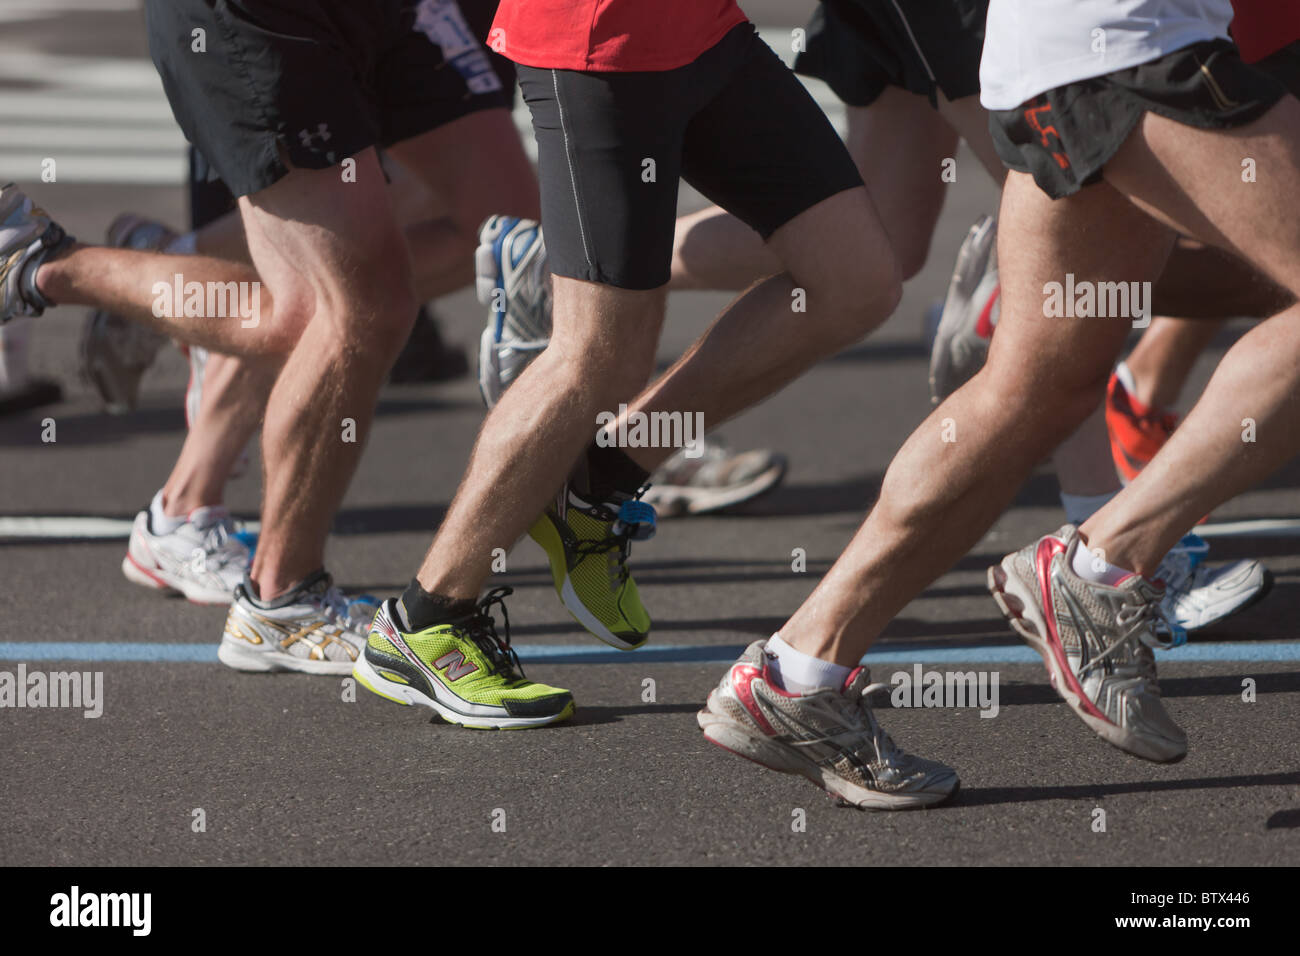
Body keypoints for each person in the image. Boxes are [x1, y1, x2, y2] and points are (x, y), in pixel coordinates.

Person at [700, 0, 1300, 795]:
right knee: (1038, 383)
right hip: (1131, 42)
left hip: (1052, 49)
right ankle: (1104, 566)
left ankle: (797, 675)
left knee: (1036, 387)